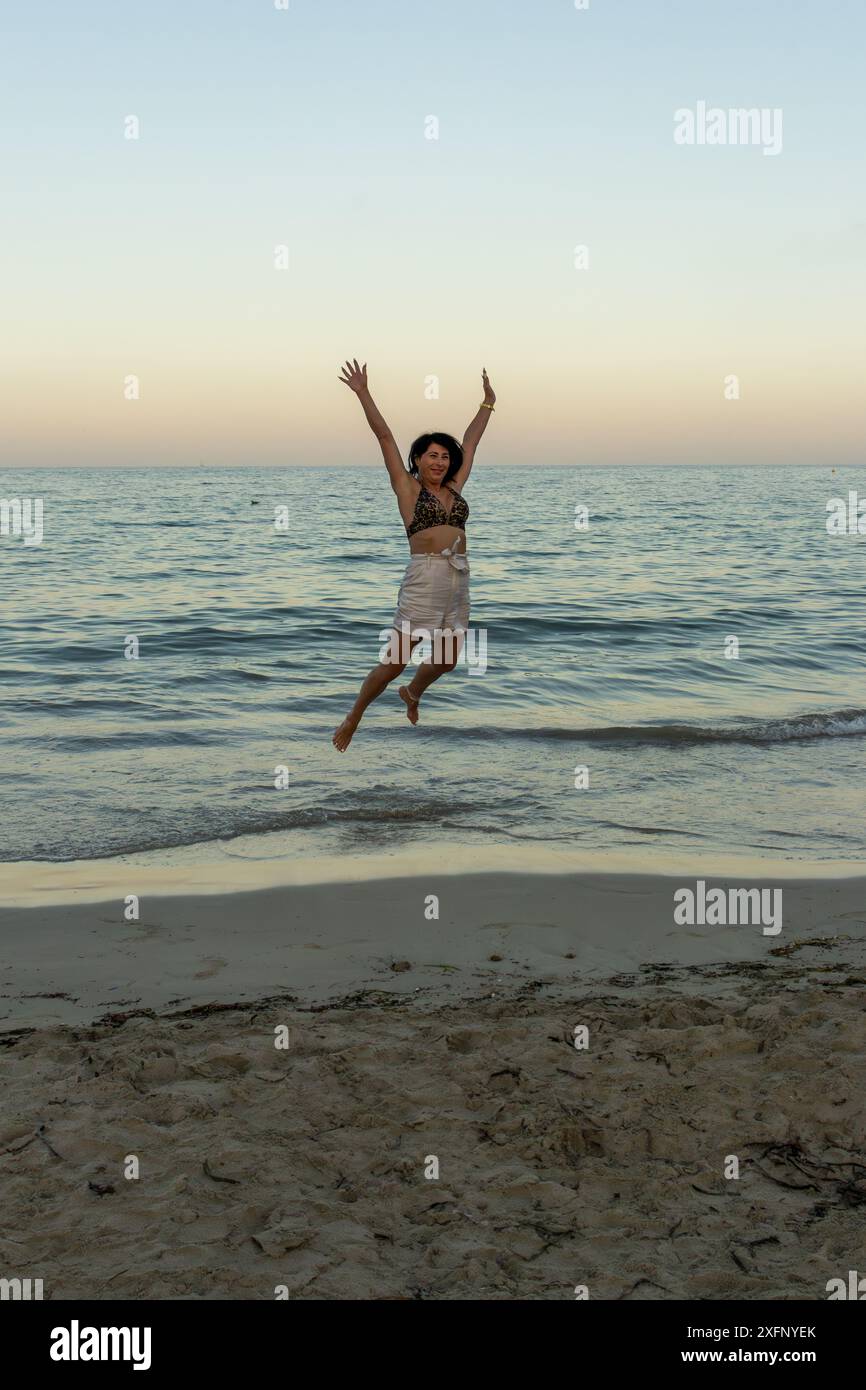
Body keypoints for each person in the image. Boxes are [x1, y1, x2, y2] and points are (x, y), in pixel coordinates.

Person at [332, 359, 495, 751]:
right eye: (431, 456)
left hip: (458, 577)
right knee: (394, 662)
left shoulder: (455, 487)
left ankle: (413, 692)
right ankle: (354, 715)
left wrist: (487, 404)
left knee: (447, 659)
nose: (439, 461)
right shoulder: (407, 489)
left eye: (444, 456)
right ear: (418, 460)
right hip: (424, 577)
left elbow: (470, 442)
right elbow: (385, 437)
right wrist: (363, 392)